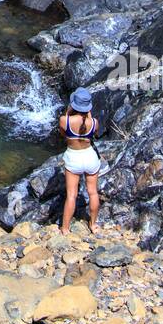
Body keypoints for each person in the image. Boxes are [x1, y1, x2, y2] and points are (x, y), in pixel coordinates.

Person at [59, 87, 101, 234]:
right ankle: (93, 225)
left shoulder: (65, 120)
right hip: (90, 157)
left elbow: (63, 134)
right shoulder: (94, 122)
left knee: (71, 195)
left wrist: (69, 111)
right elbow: (94, 133)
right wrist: (88, 115)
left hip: (74, 158)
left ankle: (65, 229)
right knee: (93, 192)